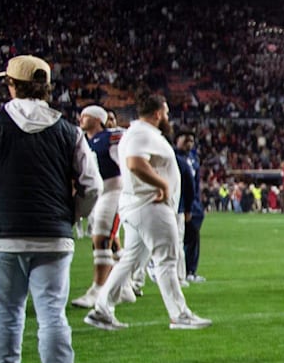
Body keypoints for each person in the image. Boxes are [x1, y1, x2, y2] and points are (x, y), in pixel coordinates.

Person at [0, 55, 101, 363]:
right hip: (54, 235)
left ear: (11, 84)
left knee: (5, 314)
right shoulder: (70, 131)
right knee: (52, 315)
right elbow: (92, 187)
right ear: (46, 88)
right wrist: (71, 215)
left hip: (2, 236)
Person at [83, 91, 212, 331]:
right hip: (150, 206)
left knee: (130, 260)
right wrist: (162, 184)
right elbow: (135, 162)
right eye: (166, 113)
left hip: (139, 206)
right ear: (157, 113)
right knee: (167, 259)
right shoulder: (143, 133)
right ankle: (179, 314)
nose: (168, 117)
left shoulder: (138, 132)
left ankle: (102, 309)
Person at [70, 105, 126, 308]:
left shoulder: (112, 136)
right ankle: (124, 287)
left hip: (114, 191)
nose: (81, 118)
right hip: (100, 194)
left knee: (101, 239)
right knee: (112, 243)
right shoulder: (86, 140)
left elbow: (128, 156)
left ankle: (98, 290)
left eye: (86, 115)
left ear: (98, 119)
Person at [174, 131, 206, 284]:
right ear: (177, 140)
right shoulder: (172, 157)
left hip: (192, 205)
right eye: (185, 140)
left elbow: (196, 183)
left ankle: (189, 271)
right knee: (176, 240)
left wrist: (196, 204)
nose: (189, 143)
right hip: (177, 203)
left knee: (192, 238)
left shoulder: (193, 159)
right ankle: (177, 272)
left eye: (191, 141)